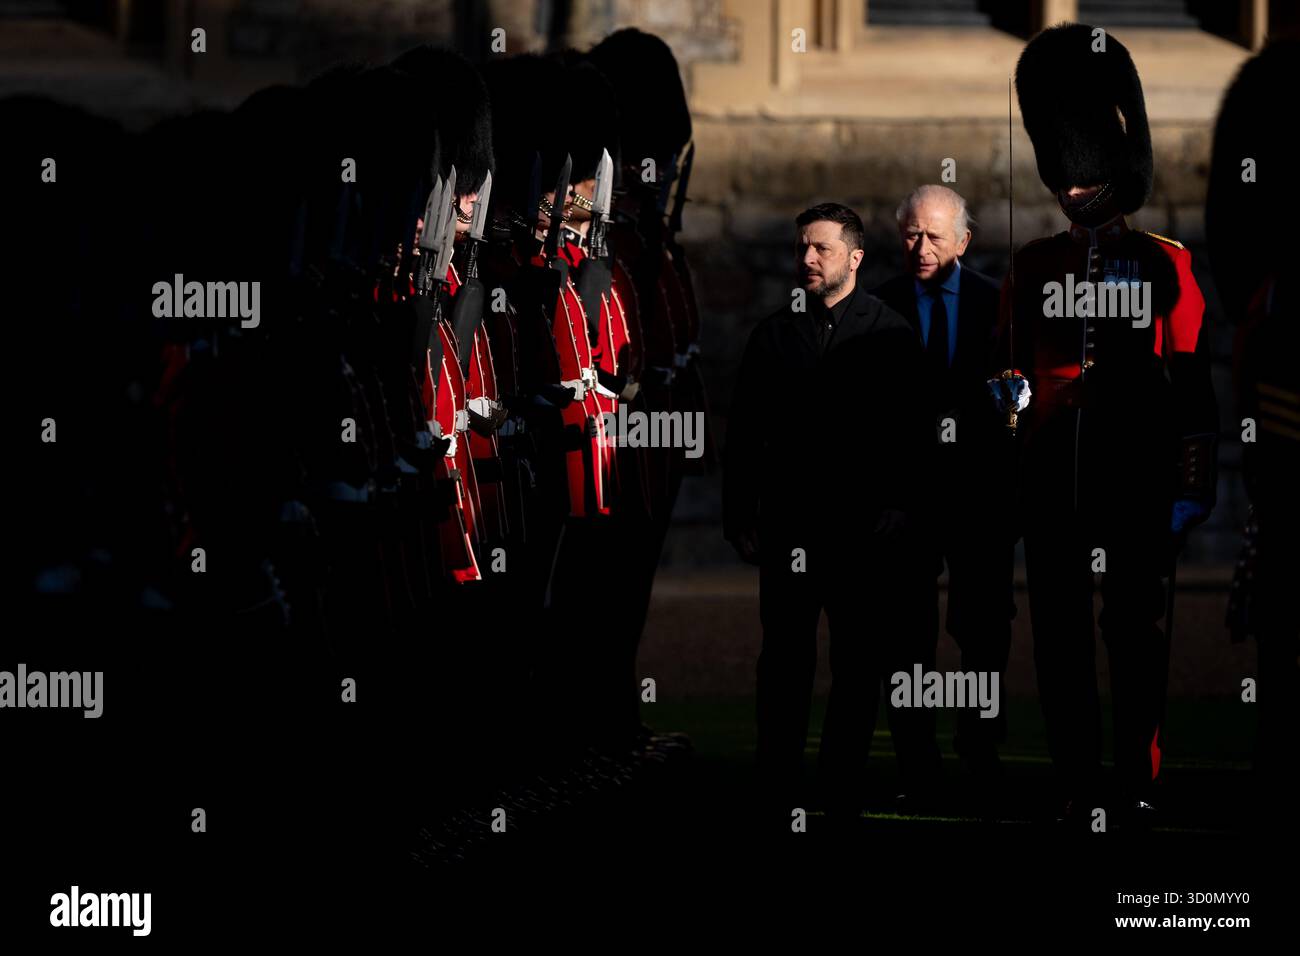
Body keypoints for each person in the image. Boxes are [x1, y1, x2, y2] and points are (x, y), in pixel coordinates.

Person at [997, 23, 1218, 826]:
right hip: (1055, 476)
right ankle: (1077, 781)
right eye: (1065, 175)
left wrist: (1191, 484)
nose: (1072, 189)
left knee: (1136, 637)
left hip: (1135, 476)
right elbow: (1010, 359)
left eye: (1084, 175)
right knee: (1059, 644)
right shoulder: (1032, 266)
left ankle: (1137, 782)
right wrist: (1008, 396)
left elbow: (1190, 381)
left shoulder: (1167, 262)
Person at [725, 202, 941, 825]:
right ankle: (777, 780)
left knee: (857, 664)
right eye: (801, 249)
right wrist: (740, 515)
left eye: (820, 248)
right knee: (785, 661)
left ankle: (840, 783)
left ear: (855, 257)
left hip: (862, 533)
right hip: (789, 528)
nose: (807, 259)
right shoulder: (771, 334)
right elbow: (744, 434)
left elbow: (914, 434)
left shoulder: (891, 332)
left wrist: (903, 506)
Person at [872, 185, 1016, 806]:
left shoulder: (999, 302)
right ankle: (916, 765)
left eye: (934, 236)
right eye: (910, 234)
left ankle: (980, 756)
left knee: (984, 631)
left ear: (964, 240)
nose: (921, 247)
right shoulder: (878, 306)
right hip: (906, 503)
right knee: (905, 636)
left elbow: (1016, 400)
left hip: (981, 502)